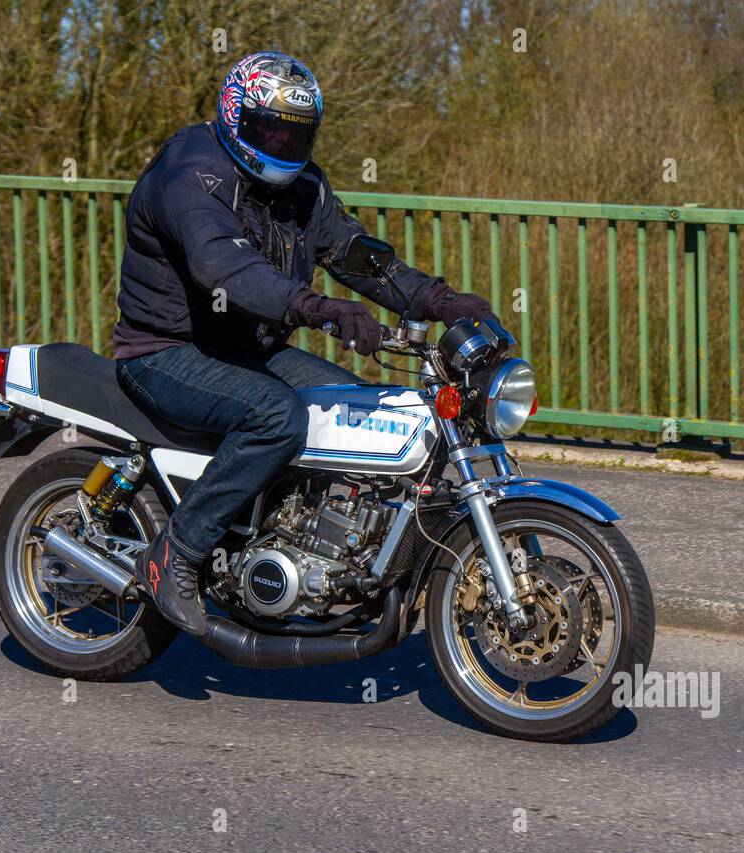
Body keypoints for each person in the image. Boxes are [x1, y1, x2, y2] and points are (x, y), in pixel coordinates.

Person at [114, 50, 495, 635]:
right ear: (236, 115)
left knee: (358, 406)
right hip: (165, 350)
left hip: (248, 347)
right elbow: (225, 268)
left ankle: (310, 547)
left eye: (296, 134)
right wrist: (320, 310)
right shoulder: (190, 174)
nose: (281, 143)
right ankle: (177, 555)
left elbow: (357, 256)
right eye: (269, 127)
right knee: (277, 416)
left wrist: (439, 301)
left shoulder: (304, 187)